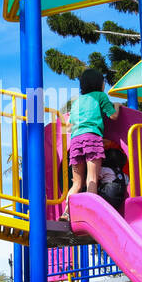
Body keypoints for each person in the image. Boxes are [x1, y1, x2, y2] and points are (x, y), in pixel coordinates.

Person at [61, 68, 114, 218]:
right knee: (92, 178)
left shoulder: (77, 102)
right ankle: (91, 214)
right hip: (92, 137)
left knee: (76, 183)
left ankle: (66, 212)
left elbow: (69, 127)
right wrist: (117, 107)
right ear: (100, 84)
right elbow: (114, 116)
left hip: (76, 141)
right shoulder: (100, 96)